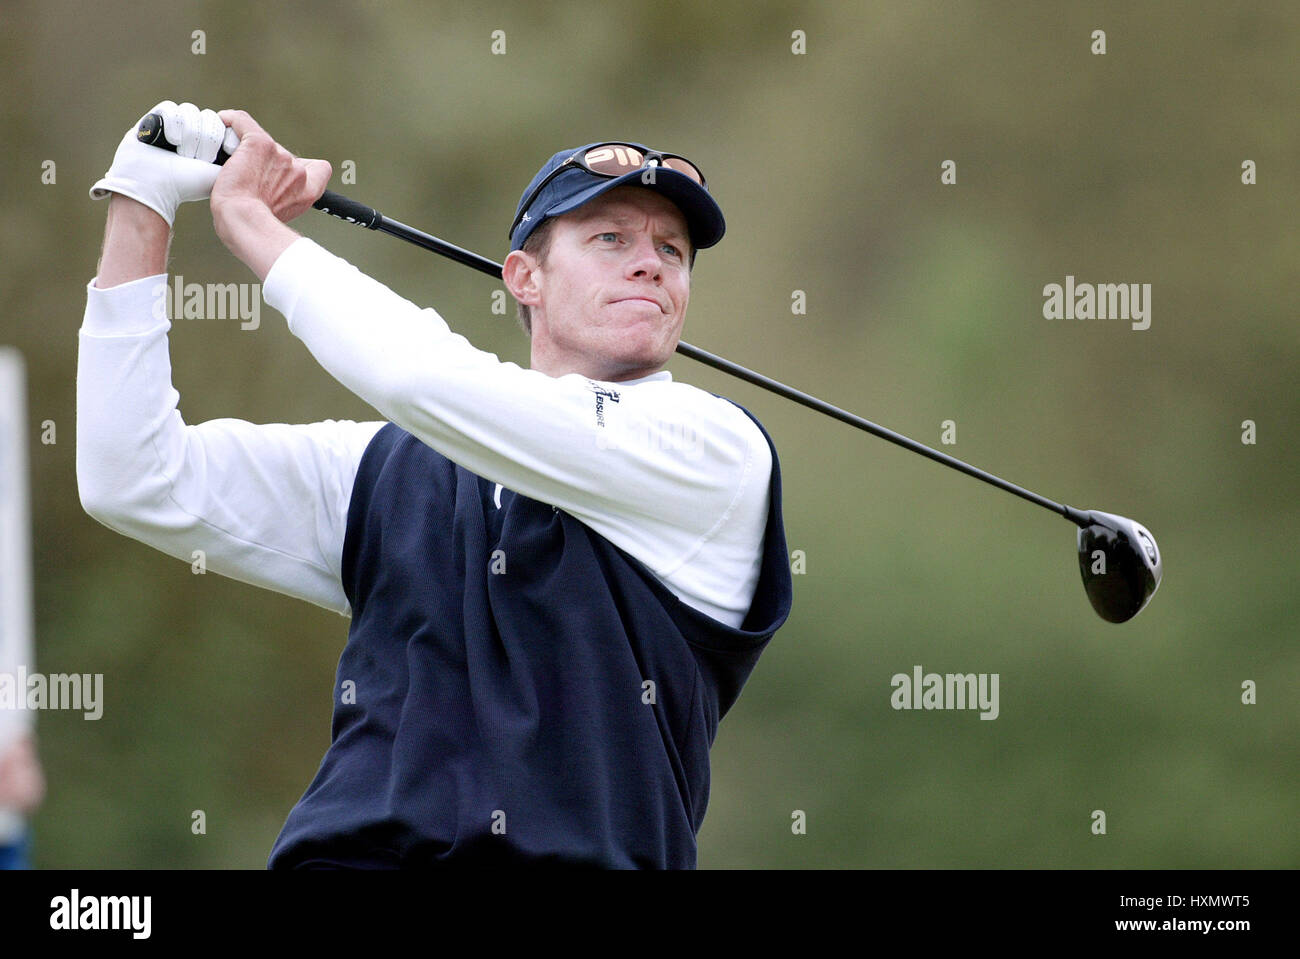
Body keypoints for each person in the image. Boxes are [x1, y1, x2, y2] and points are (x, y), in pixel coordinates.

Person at [78, 101, 792, 868]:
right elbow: (135, 477)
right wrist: (140, 201)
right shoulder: (384, 470)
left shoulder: (713, 447)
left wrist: (255, 226)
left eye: (672, 250)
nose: (650, 262)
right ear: (524, 278)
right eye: (611, 238)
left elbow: (418, 377)